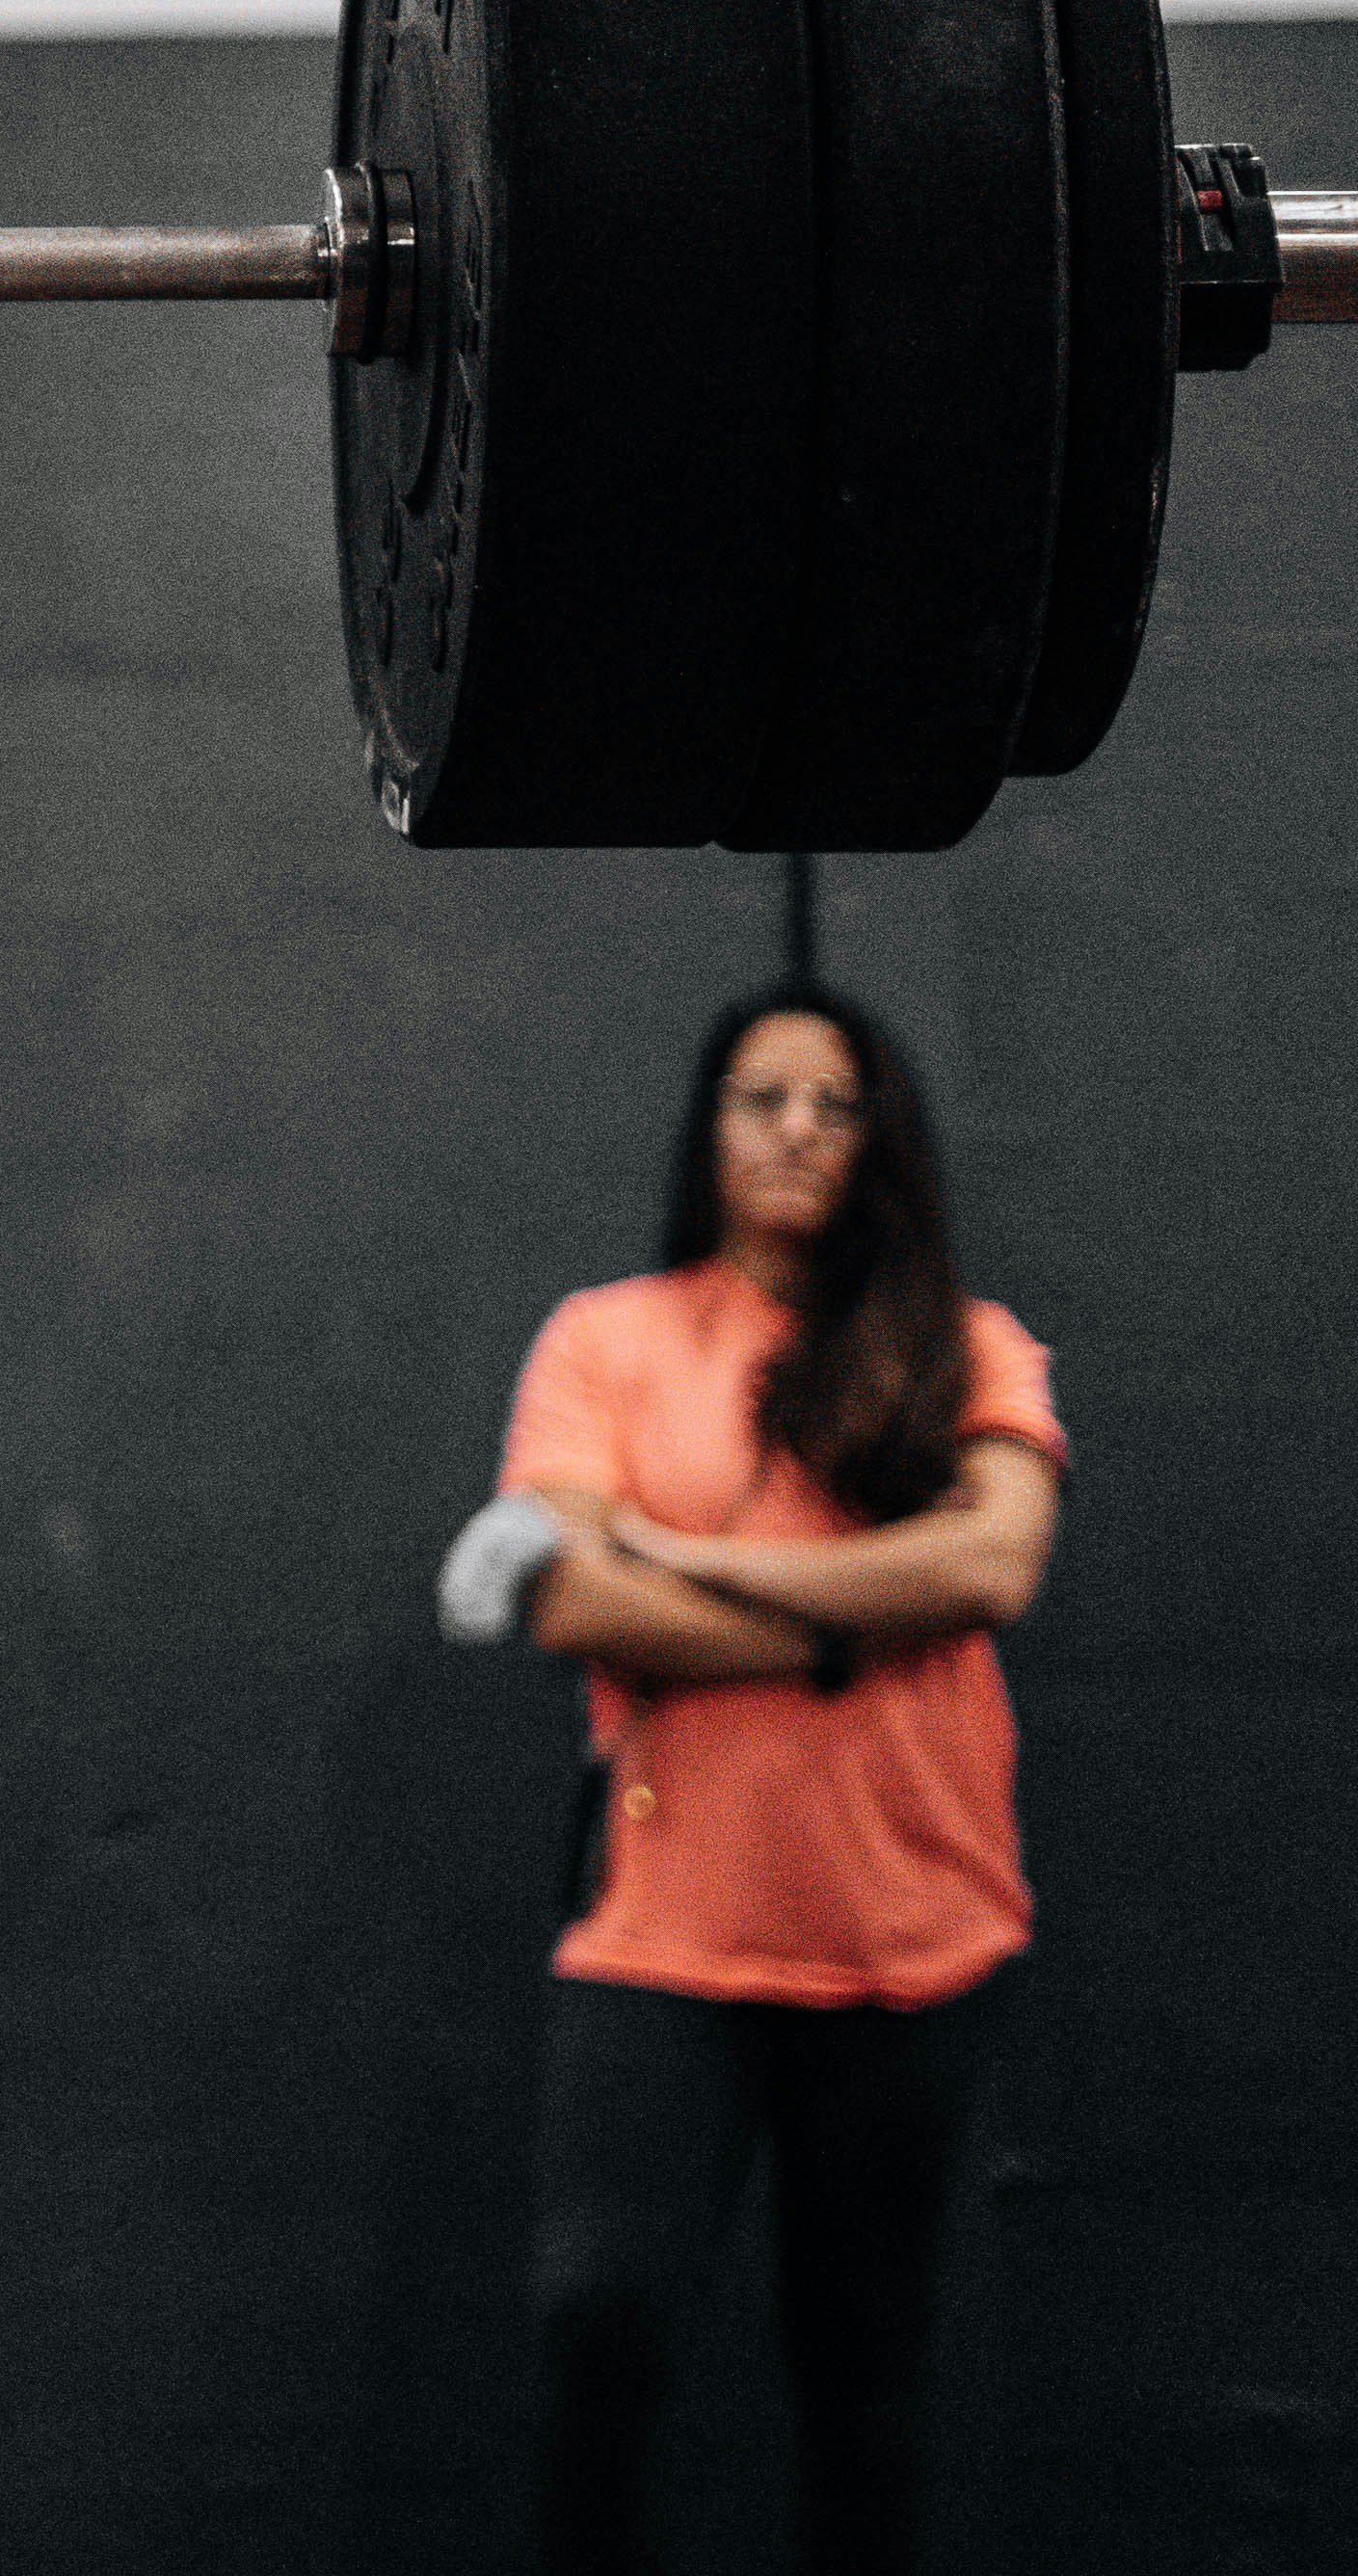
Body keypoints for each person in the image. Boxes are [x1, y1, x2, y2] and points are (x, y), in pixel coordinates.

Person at [459, 986, 1064, 2576]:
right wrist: (853, 1627)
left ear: (883, 1140)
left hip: (912, 1941)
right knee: (600, 2327)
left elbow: (993, 1563)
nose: (796, 1129)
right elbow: (573, 1597)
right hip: (663, 1941)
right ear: (709, 1129)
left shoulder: (966, 1347)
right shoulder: (608, 1340)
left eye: (834, 1103)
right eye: (760, 1097)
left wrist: (682, 1560)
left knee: (863, 2389)